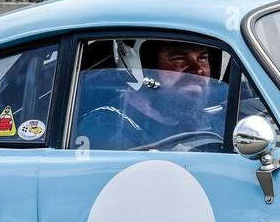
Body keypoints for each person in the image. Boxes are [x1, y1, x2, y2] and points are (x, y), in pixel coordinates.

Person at [74, 39, 227, 151]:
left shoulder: (209, 121)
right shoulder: (107, 129)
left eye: (203, 58)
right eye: (179, 58)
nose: (197, 70)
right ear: (142, 66)